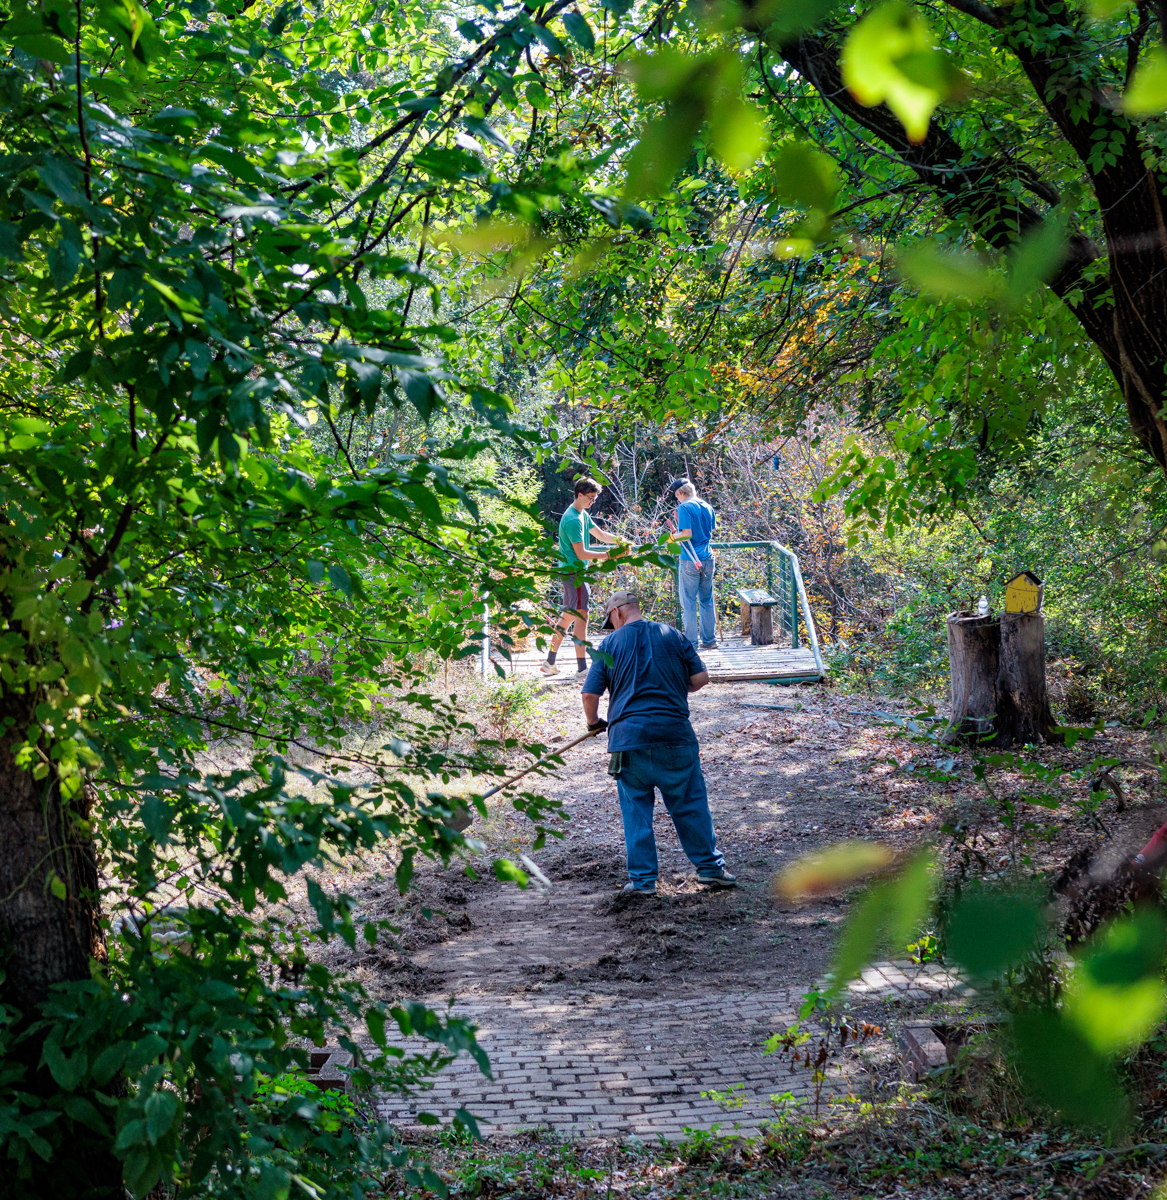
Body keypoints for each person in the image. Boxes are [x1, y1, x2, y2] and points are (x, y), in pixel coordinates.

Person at [581, 589, 736, 895]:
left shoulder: (609, 644)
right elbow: (700, 678)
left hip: (629, 741)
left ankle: (643, 882)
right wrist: (673, 686)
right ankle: (710, 870)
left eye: (611, 621)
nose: (612, 626)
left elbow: (589, 694)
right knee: (690, 804)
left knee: (636, 811)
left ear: (617, 613)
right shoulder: (673, 635)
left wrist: (593, 723)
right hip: (674, 736)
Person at [542, 477, 623, 676]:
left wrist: (621, 540)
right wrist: (610, 555)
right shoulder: (572, 520)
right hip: (575, 574)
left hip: (573, 573)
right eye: (591, 497)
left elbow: (601, 535)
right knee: (581, 617)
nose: (593, 501)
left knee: (568, 617)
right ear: (580, 495)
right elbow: (582, 553)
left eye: (595, 498)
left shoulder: (581, 514)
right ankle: (581, 668)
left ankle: (550, 662)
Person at [669, 478, 718, 650]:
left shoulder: (684, 507)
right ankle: (710, 640)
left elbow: (686, 534)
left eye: (677, 497)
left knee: (688, 602)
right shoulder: (707, 506)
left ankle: (691, 643)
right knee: (706, 600)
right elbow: (711, 529)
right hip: (708, 557)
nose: (677, 500)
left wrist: (671, 537)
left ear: (680, 493)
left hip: (690, 558)